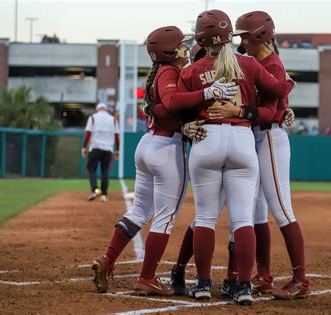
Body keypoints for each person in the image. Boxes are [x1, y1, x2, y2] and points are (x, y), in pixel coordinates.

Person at [91, 25, 238, 296]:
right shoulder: (169, 71)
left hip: (149, 144)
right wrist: (208, 93)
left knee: (139, 211)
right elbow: (170, 102)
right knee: (164, 219)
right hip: (167, 148)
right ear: (171, 49)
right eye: (181, 43)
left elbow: (159, 107)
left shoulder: (161, 71)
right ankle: (147, 277)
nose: (186, 46)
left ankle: (107, 259)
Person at [177, 9, 295, 305]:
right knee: (244, 219)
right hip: (243, 140)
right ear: (230, 35)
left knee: (205, 218)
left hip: (207, 139)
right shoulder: (249, 63)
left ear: (202, 39)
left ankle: (203, 283)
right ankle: (243, 286)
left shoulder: (191, 70)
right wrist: (289, 85)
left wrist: (185, 125)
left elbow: (175, 105)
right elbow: (279, 90)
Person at [201, 10, 310, 300]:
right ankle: (262, 276)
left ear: (259, 36)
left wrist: (241, 111)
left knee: (282, 210)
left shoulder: (272, 63)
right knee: (254, 212)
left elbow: (275, 109)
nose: (241, 42)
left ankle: (301, 280)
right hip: (253, 138)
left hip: (269, 136)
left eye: (245, 36)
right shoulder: (252, 62)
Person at [82, 103, 119, 202]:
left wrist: (84, 147)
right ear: (106, 109)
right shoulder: (113, 119)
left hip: (95, 147)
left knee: (91, 169)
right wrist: (117, 150)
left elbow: (88, 133)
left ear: (97, 109)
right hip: (108, 149)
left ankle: (95, 189)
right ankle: (104, 195)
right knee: (105, 171)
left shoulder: (93, 117)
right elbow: (116, 136)